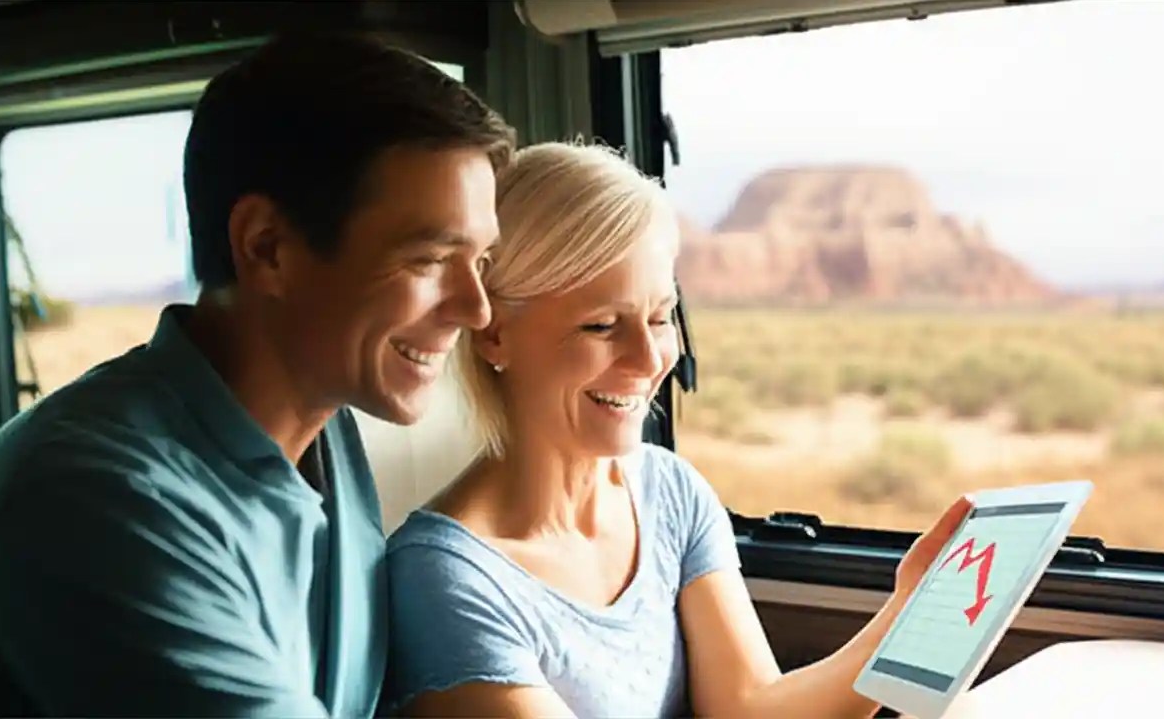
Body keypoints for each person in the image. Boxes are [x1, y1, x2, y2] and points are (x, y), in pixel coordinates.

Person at [0, 33, 514, 717]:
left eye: (478, 262)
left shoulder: (330, 436)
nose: (475, 311)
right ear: (266, 247)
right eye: (428, 259)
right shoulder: (97, 498)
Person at [384, 141, 971, 718]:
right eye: (602, 326)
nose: (649, 359)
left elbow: (751, 710)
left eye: (661, 317)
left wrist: (909, 618)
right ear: (494, 335)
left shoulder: (669, 492)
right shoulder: (445, 581)